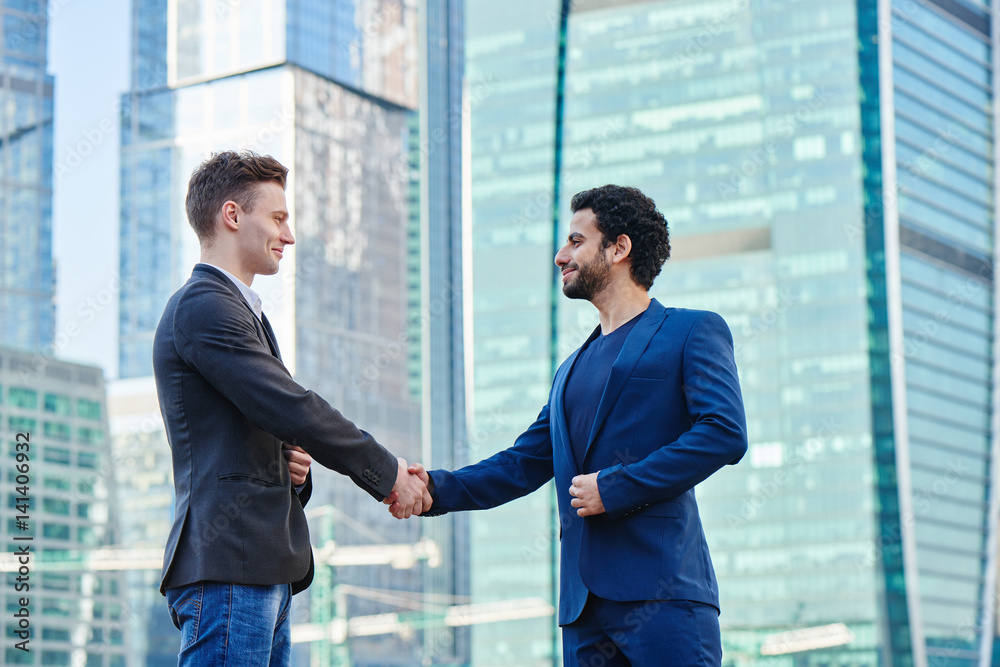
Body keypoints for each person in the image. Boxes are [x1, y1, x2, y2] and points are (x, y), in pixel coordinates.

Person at [399, 185, 748, 666]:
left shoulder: (692, 330)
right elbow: (522, 463)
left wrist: (616, 487)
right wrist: (434, 489)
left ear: (619, 248)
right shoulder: (569, 370)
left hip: (665, 597)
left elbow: (724, 433)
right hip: (583, 613)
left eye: (576, 241)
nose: (561, 256)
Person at [153, 150, 430, 666]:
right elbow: (293, 408)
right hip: (230, 567)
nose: (290, 235)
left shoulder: (242, 312)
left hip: (260, 569)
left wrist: (293, 468)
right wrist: (387, 472)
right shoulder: (204, 305)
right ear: (232, 215)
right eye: (278, 218)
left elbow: (264, 425)